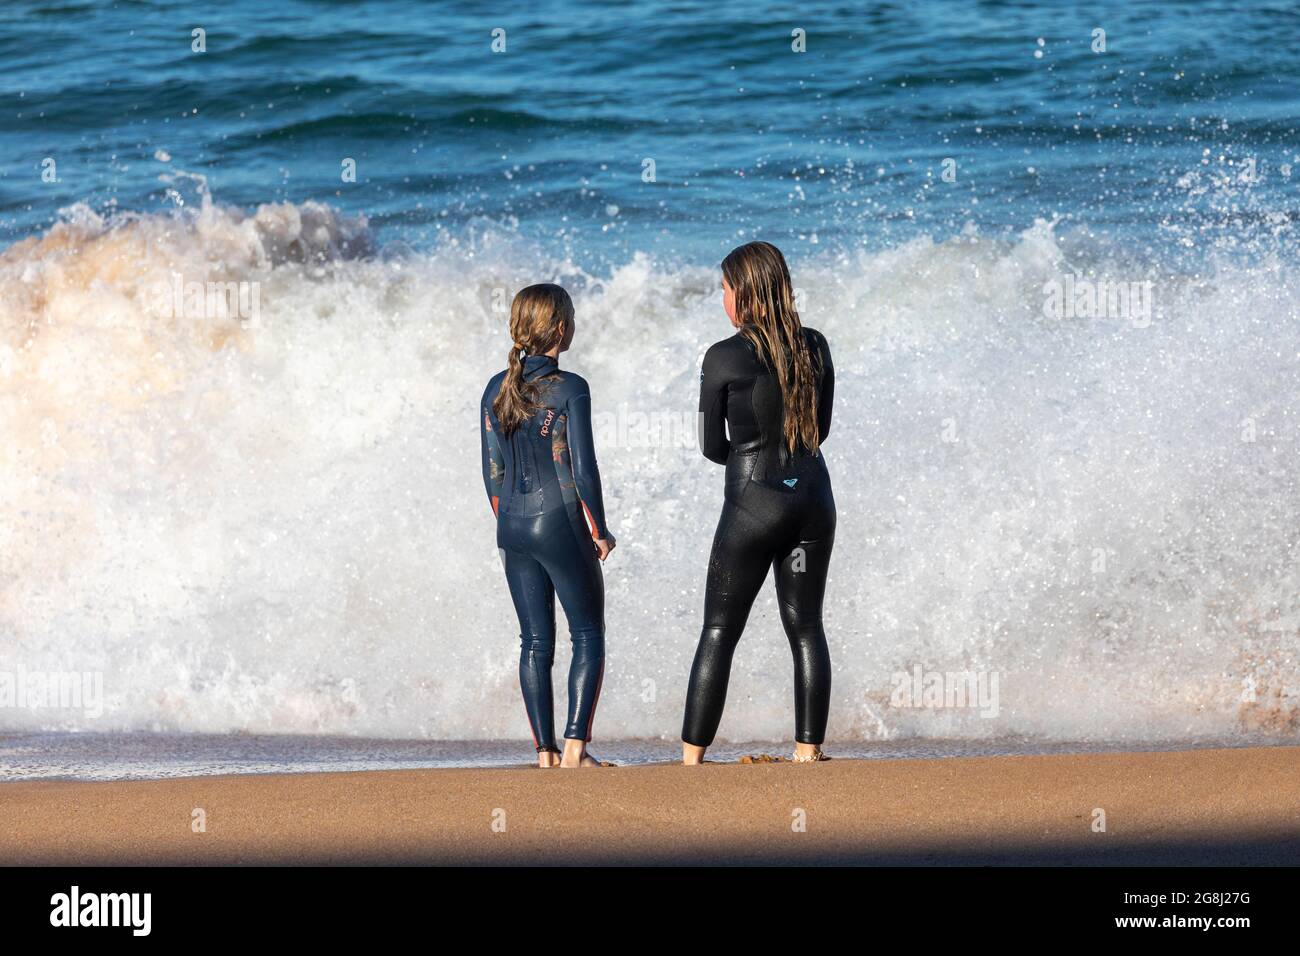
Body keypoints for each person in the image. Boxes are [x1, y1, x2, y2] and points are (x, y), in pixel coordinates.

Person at [682, 241, 836, 765]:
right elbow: (822, 430)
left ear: (743, 295)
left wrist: (750, 469)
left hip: (751, 506)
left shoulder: (723, 356)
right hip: (812, 502)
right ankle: (807, 751)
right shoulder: (814, 345)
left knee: (720, 630)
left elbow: (710, 446)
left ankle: (691, 759)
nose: (722, 299)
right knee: (807, 627)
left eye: (724, 289)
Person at [480, 283, 616, 769]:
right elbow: (584, 470)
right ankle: (576, 747)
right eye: (573, 315)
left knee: (535, 641)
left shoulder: (496, 387)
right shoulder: (570, 388)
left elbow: (491, 474)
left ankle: (545, 754)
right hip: (557, 523)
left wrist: (513, 530)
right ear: (562, 329)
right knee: (587, 634)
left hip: (511, 529)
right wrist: (599, 530)